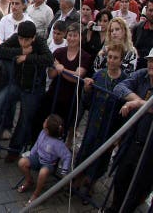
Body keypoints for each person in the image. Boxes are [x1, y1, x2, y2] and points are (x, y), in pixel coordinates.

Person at [0, 21, 54, 156]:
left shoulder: (39, 42)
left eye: (26, 40)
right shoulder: (16, 38)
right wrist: (20, 51)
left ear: (33, 38)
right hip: (16, 84)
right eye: (21, 39)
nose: (23, 42)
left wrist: (27, 58)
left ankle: (14, 149)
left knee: (25, 119)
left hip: (33, 88)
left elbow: (49, 59)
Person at [73, 42, 127, 202]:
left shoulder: (125, 81)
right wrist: (87, 90)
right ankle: (77, 178)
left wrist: (119, 134)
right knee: (86, 149)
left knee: (102, 156)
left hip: (109, 127)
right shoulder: (99, 75)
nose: (111, 60)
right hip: (93, 123)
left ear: (121, 60)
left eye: (115, 58)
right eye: (109, 57)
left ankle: (90, 184)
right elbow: (87, 102)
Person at [106, 49, 153, 213]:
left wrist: (136, 105)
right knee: (121, 178)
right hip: (133, 140)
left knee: (139, 186)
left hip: (150, 148)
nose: (151, 64)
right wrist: (139, 101)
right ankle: (115, 207)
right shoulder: (142, 75)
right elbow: (120, 87)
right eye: (150, 60)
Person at [17, 114, 72, 207]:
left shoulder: (58, 144)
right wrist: (31, 154)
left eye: (46, 120)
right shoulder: (42, 132)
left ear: (47, 130)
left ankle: (36, 194)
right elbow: (37, 144)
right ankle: (29, 180)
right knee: (22, 162)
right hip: (37, 158)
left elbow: (67, 155)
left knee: (43, 173)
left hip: (48, 164)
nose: (45, 119)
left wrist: (64, 170)